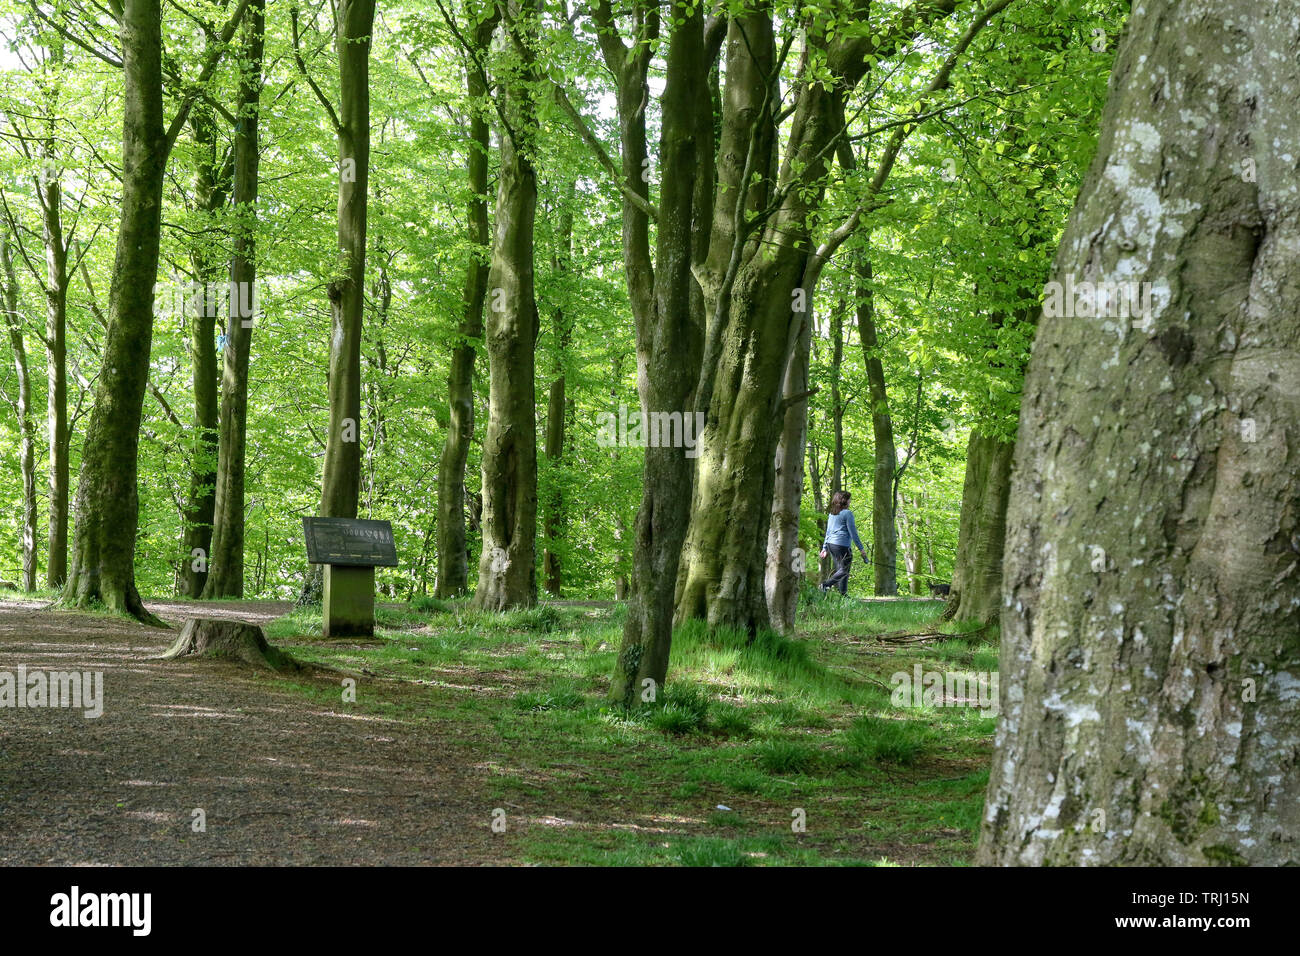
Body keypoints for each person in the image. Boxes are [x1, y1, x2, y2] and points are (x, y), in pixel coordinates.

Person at [819, 490, 868, 595]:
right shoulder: (847, 513)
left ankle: (843, 594)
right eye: (849, 499)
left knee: (842, 570)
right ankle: (825, 585)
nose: (850, 501)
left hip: (831, 545)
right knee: (844, 570)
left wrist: (825, 548)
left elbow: (828, 532)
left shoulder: (832, 514)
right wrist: (861, 549)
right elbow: (853, 533)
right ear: (844, 501)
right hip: (841, 545)